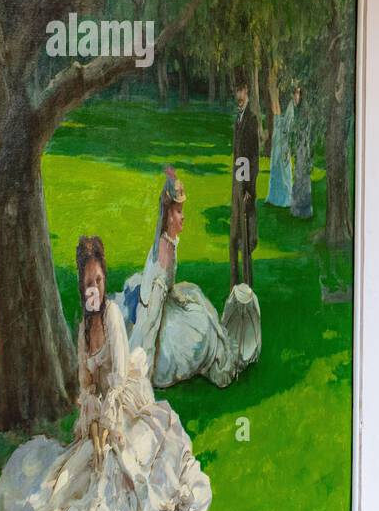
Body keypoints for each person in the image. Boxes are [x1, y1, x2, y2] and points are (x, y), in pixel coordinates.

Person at [0, 235, 212, 511]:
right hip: (98, 417)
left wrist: (107, 429)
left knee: (112, 470)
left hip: (125, 410)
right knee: (65, 478)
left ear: (103, 280)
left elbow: (118, 382)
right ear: (81, 288)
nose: (93, 288)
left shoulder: (111, 317)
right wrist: (93, 426)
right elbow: (87, 387)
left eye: (98, 281)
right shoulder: (83, 330)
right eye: (87, 283)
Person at [117, 167, 261, 388]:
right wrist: (146, 355)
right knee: (201, 328)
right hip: (158, 314)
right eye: (178, 212)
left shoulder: (169, 241)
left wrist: (178, 296)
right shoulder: (165, 251)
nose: (183, 216)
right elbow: (153, 313)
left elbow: (169, 286)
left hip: (166, 301)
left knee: (194, 296)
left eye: (182, 210)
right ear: (167, 215)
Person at [230, 72, 260, 287]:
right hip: (237, 183)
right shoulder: (239, 118)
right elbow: (238, 155)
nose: (238, 95)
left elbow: (253, 158)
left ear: (247, 89)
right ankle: (234, 284)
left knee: (247, 237)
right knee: (234, 235)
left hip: (246, 186)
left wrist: (249, 187)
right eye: (236, 91)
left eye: (241, 90)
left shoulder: (251, 119)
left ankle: (248, 286)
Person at [265, 74, 293, 208]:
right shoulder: (279, 107)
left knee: (284, 166)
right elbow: (276, 113)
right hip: (280, 134)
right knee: (277, 164)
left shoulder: (290, 105)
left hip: (284, 137)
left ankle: (285, 196)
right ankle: (277, 196)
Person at [290, 84, 314, 220]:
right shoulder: (297, 110)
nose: (295, 97)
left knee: (303, 176)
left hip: (304, 148)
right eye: (294, 94)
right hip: (300, 147)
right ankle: (298, 208)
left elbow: (305, 132)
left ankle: (303, 209)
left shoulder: (304, 111)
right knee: (299, 176)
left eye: (298, 94)